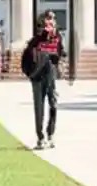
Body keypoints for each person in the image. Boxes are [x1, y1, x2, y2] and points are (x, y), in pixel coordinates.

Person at [22, 11, 65, 150]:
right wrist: (30, 73)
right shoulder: (36, 40)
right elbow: (26, 59)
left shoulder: (58, 38)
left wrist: (60, 62)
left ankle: (50, 134)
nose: (50, 24)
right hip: (37, 78)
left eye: (52, 22)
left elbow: (60, 54)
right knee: (39, 108)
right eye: (48, 21)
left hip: (50, 76)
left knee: (53, 104)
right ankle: (40, 137)